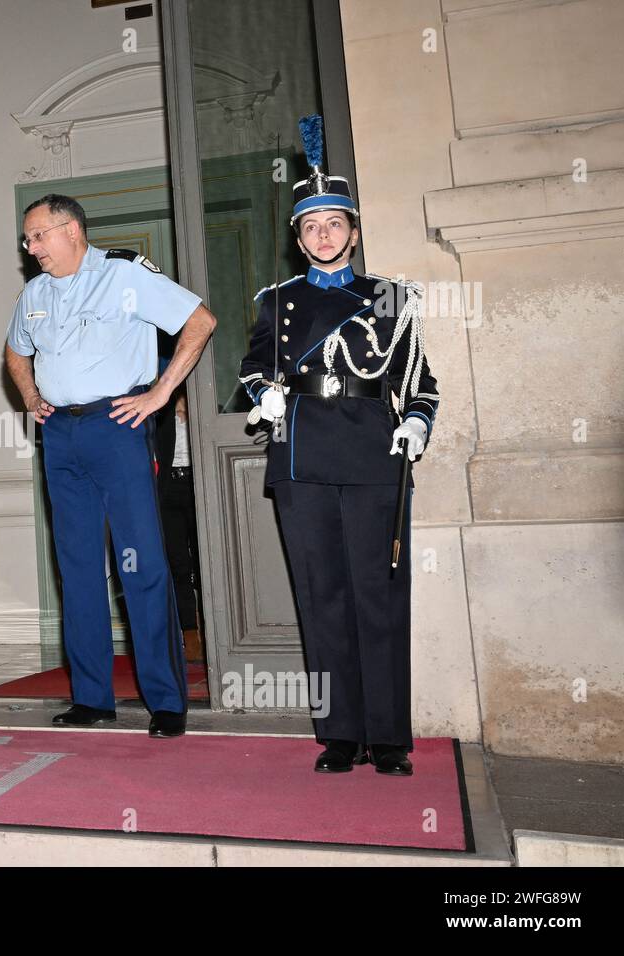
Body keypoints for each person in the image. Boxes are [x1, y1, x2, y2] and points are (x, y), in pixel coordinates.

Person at [238, 115, 439, 775]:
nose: (323, 235)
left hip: (374, 453)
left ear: (353, 231)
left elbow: (420, 384)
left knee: (376, 594)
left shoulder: (390, 297)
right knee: (321, 594)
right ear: (298, 239)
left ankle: (387, 737)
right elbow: (252, 368)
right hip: (302, 454)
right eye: (310, 227)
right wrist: (263, 395)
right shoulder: (278, 300)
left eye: (334, 224)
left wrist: (415, 422)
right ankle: (340, 736)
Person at [4, 194, 217, 738]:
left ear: (71, 229)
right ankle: (92, 697)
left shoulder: (125, 276)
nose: (30, 249)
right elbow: (14, 352)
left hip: (117, 429)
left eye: (37, 236)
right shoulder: (33, 294)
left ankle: (166, 701)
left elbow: (200, 321)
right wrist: (31, 397)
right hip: (60, 436)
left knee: (141, 563)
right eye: (28, 240)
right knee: (75, 569)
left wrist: (161, 393)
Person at [153, 388, 204, 662]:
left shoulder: (205, 410)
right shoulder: (160, 416)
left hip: (198, 487)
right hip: (169, 489)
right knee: (178, 565)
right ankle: (190, 634)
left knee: (204, 564)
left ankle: (212, 631)